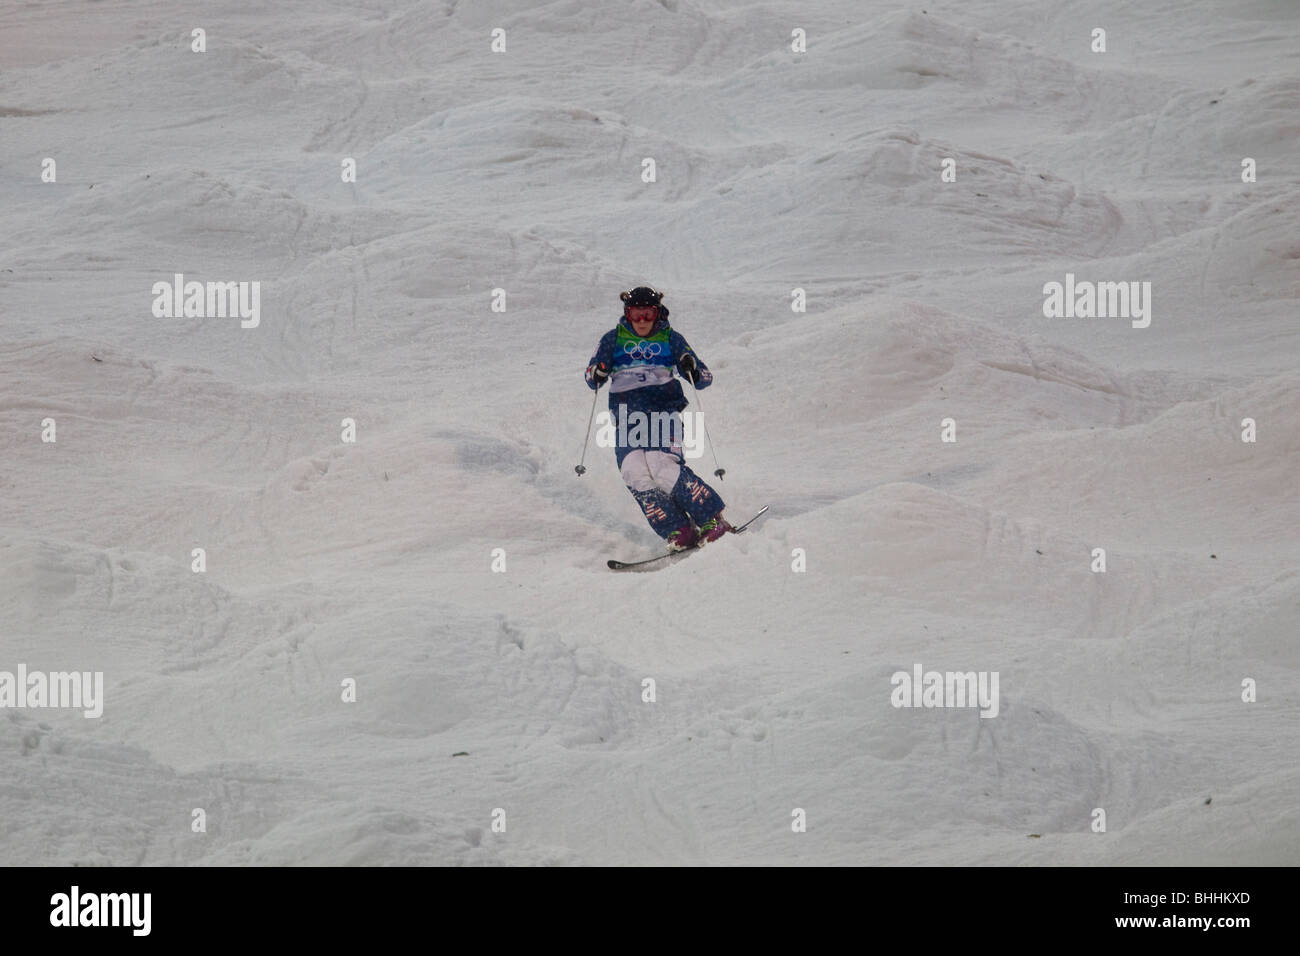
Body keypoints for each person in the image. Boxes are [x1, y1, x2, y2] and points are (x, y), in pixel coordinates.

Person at [585, 287, 732, 551]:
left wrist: (691, 367)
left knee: (660, 465)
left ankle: (712, 519)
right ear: (627, 313)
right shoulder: (613, 339)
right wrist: (598, 372)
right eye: (635, 313)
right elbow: (590, 376)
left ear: (658, 313)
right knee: (633, 471)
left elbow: (704, 378)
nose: (642, 320)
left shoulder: (670, 338)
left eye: (648, 313)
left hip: (663, 411)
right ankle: (679, 529)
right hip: (628, 416)